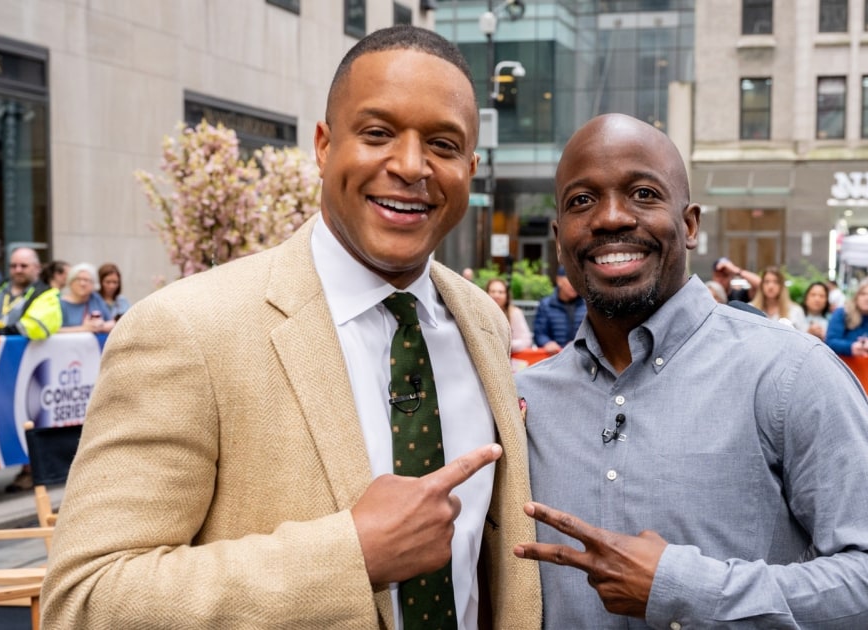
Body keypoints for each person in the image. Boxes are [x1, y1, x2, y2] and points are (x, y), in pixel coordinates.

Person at [42, 25, 540, 629]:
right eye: (378, 133)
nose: (411, 167)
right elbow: (85, 600)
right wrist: (350, 555)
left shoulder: (483, 324)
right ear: (324, 145)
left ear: (470, 166)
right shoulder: (186, 330)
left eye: (442, 144)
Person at [512, 113, 868, 628]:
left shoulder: (790, 373)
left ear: (690, 224)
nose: (610, 218)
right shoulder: (525, 401)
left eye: (643, 194)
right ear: (560, 238)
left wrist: (683, 587)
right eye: (582, 201)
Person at [0, 247, 62, 340]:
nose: (18, 270)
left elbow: (37, 325)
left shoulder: (47, 294)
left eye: (24, 266)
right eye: (13, 266)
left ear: (37, 268)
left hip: (20, 352)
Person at [531, 266, 585, 353]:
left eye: (578, 279)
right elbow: (539, 333)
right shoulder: (546, 305)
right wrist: (547, 343)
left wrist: (580, 344)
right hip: (553, 358)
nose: (575, 284)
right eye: (571, 279)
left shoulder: (587, 305)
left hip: (581, 357)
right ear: (559, 281)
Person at [58, 263, 115, 334]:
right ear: (70, 282)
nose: (82, 283)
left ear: (93, 284)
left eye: (86, 280)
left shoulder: (95, 298)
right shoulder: (60, 304)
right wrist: (84, 329)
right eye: (78, 279)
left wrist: (101, 326)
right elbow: (55, 330)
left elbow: (112, 323)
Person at [486, 277, 532, 352]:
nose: (496, 295)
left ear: (507, 295)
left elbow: (526, 341)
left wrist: (506, 344)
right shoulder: (480, 313)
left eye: (500, 292)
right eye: (492, 291)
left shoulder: (515, 313)